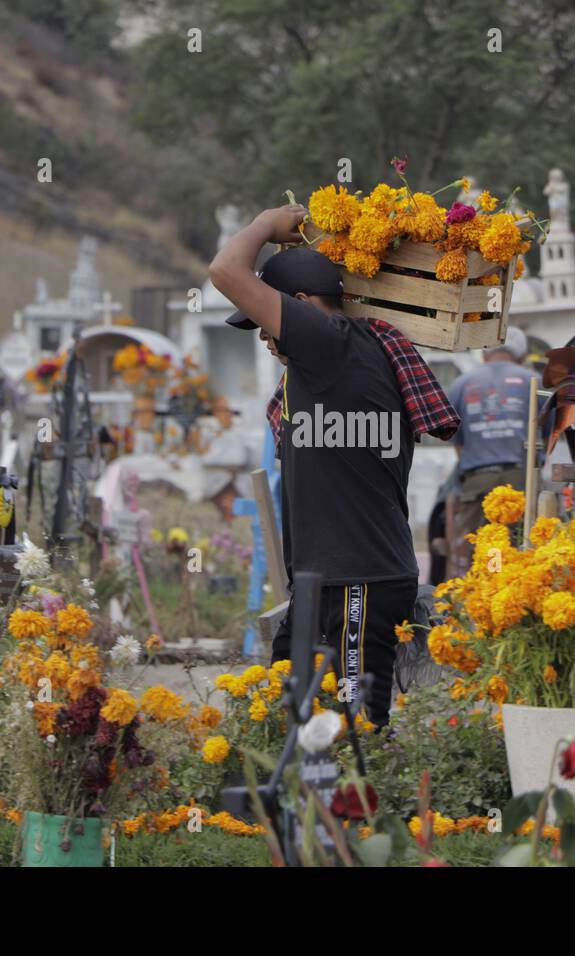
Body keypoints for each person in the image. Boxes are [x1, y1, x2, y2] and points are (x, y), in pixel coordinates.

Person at [211, 204, 458, 727]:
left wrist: (265, 225)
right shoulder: (348, 356)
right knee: (291, 722)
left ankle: (362, 810)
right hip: (336, 580)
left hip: (358, 583)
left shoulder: (330, 345)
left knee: (351, 736)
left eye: (261, 321)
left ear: (298, 307)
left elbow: (224, 272)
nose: (261, 335)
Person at [446, 326, 536, 576]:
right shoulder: (533, 382)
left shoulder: (461, 384)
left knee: (479, 554)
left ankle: (479, 606)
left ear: (485, 354)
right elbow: (546, 435)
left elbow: (456, 440)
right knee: (522, 551)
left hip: (477, 483)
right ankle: (515, 605)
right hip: (521, 481)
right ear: (522, 355)